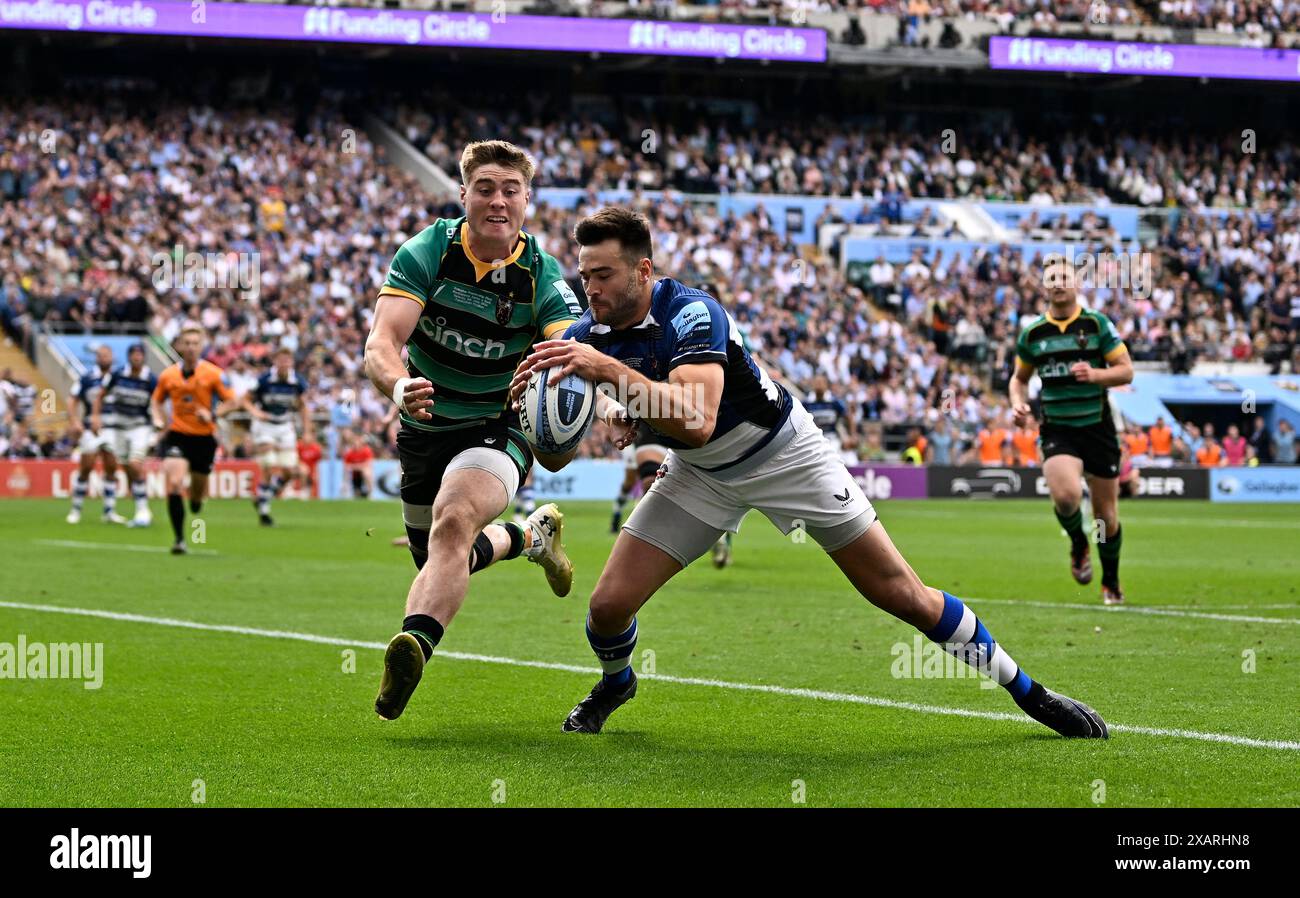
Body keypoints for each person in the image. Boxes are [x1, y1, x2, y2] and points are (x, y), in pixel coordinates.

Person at [511, 206, 1108, 740]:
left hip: (786, 457)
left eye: (603, 275)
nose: (589, 290)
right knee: (607, 608)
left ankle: (1030, 693)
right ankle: (617, 684)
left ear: (643, 271)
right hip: (700, 475)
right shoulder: (588, 336)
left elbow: (695, 418)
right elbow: (562, 453)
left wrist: (610, 378)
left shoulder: (692, 312)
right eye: (584, 276)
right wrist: (542, 415)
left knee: (902, 595)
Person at [364, 140, 581, 721]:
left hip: (498, 425)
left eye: (511, 190)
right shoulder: (427, 252)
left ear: (527, 201)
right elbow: (382, 343)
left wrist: (600, 405)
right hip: (425, 420)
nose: (498, 200)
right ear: (464, 194)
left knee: (454, 521)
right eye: (485, 188)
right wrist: (396, 386)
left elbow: (570, 352)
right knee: (436, 558)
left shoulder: (542, 275)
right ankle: (532, 538)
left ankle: (414, 650)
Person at [1010, 256, 1134, 606]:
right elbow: (1018, 380)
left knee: (1106, 517)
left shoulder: (1096, 325)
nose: (1058, 281)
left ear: (1077, 283)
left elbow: (1125, 371)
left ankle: (1110, 580)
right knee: (1065, 497)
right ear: (1044, 286)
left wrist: (1096, 375)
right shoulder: (1033, 333)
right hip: (1058, 429)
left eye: (1064, 275)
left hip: (1097, 427)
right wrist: (1017, 404)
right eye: (1052, 277)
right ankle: (1079, 543)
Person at [150, 325, 243, 554]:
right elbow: (156, 401)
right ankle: (179, 539)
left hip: (204, 439)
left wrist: (212, 414)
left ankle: (196, 500)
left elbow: (233, 402)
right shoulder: (168, 375)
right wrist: (159, 419)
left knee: (197, 493)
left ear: (201, 347)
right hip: (178, 436)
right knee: (174, 483)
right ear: (180, 345)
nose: (190, 348)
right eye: (187, 343)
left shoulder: (214, 374)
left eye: (195, 343)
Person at [92, 342, 157, 527]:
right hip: (119, 427)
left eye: (140, 354)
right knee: (127, 465)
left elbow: (159, 400)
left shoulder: (150, 379)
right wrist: (96, 416)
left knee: (135, 465)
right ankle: (136, 504)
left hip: (140, 427)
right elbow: (100, 396)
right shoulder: (118, 375)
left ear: (144, 357)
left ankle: (143, 510)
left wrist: (160, 421)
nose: (137, 357)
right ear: (129, 356)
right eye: (133, 354)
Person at [250, 347, 311, 526]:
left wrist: (307, 430)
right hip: (264, 425)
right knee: (268, 463)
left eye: (287, 360)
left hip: (284, 426)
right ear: (275, 362)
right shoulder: (264, 380)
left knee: (290, 471)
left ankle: (263, 496)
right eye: (281, 360)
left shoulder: (297, 381)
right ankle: (264, 512)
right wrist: (256, 412)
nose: (284, 364)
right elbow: (245, 399)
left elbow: (302, 406)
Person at [66, 345, 123, 524]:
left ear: (112, 357)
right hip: (91, 426)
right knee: (86, 467)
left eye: (107, 355)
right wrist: (75, 421)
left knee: (111, 467)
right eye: (101, 355)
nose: (104, 358)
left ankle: (109, 510)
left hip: (113, 427)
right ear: (96, 358)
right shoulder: (87, 378)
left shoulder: (119, 377)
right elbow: (72, 400)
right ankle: (76, 509)